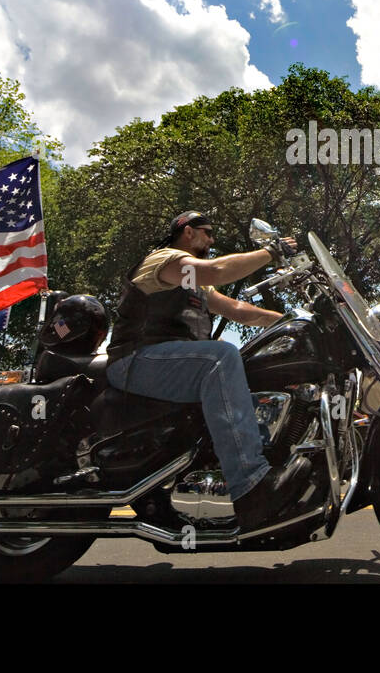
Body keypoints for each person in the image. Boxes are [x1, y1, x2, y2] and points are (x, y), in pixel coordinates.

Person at [104, 210, 311, 531]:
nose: (212, 240)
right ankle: (252, 487)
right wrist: (272, 252)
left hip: (164, 366)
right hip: (134, 360)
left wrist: (292, 321)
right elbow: (215, 270)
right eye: (207, 233)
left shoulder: (193, 286)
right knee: (220, 358)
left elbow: (239, 310)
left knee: (236, 364)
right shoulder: (163, 262)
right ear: (187, 232)